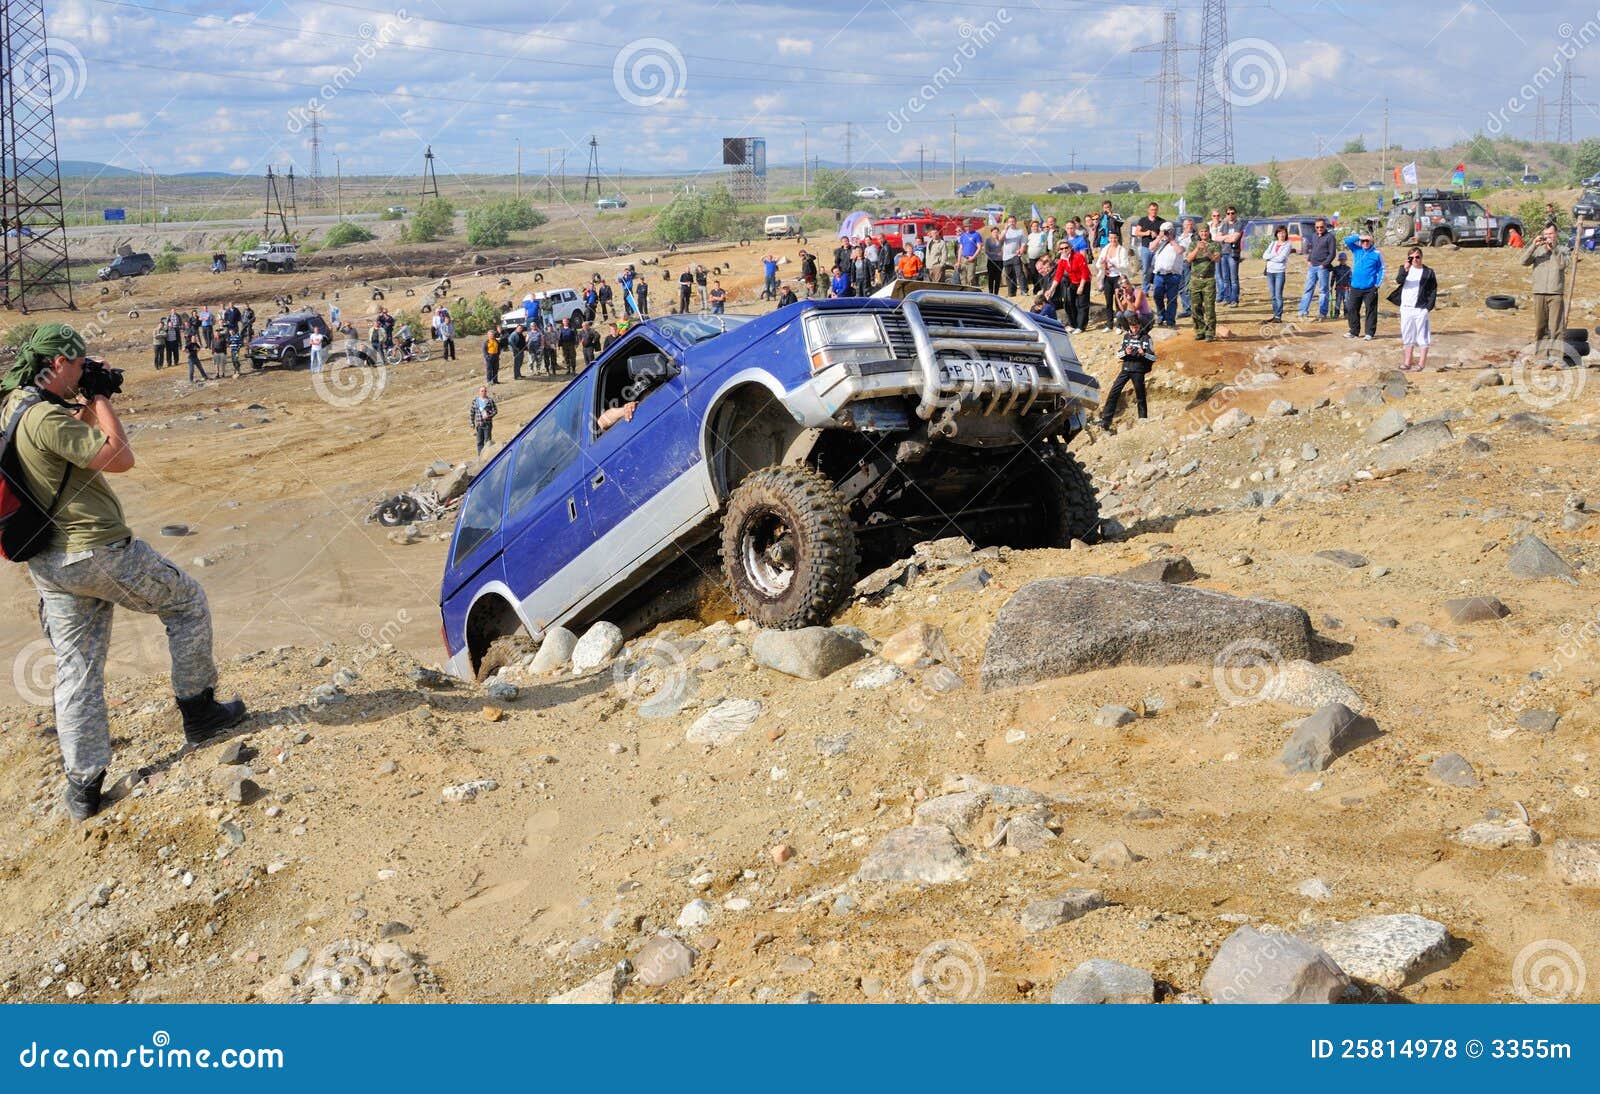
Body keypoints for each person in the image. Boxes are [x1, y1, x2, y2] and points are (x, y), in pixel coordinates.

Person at [1, 324, 246, 820]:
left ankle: (83, 785)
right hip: (98, 551)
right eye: (78, 362)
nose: (83, 369)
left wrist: (85, 395)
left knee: (78, 667)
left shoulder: (14, 405)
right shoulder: (49, 418)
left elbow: (68, 445)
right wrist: (98, 398)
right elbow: (121, 457)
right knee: (186, 602)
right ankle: (200, 714)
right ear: (58, 364)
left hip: (50, 563)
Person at [1096, 315, 1156, 431]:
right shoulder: (1126, 337)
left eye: (1137, 327)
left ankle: (1143, 420)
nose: (1135, 330)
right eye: (1133, 328)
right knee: (1114, 392)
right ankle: (1105, 422)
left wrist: (1144, 354)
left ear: (1140, 326)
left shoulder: (1146, 338)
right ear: (1129, 327)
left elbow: (1153, 358)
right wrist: (1126, 351)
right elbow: (1118, 355)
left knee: (1140, 396)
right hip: (1126, 369)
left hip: (1138, 370)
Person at [1522, 224, 1570, 357]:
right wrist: (1533, 245)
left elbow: (1562, 265)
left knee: (1556, 328)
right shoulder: (1538, 250)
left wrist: (1554, 248)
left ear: (1556, 234)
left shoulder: (1563, 250)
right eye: (1546, 234)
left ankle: (1556, 358)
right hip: (1539, 292)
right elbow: (1523, 261)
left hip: (1555, 293)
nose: (1548, 237)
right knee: (1540, 327)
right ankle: (1541, 358)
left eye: (1551, 234)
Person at [1389, 247, 1437, 371]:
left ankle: (1421, 364)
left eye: (1417, 257)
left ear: (1421, 257)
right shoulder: (1404, 268)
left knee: (1422, 335)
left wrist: (1428, 307)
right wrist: (1405, 269)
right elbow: (1399, 280)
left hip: (1420, 309)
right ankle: (1407, 362)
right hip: (1405, 308)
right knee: (1407, 335)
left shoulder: (1428, 272)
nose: (1415, 259)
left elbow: (1433, 290)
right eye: (1412, 257)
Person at [1342, 230, 1385, 340]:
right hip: (1355, 286)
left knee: (1370, 310)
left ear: (1371, 241)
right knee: (1351, 308)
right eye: (1363, 241)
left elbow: (1382, 269)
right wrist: (1359, 236)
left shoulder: (1377, 254)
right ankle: (1354, 331)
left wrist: (1377, 284)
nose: (1365, 242)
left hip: (1370, 288)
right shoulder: (1357, 250)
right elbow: (1347, 241)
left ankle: (1369, 333)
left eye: (1367, 240)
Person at [1187, 225, 1221, 341]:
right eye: (1201, 231)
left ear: (1208, 231)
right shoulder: (1193, 244)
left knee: (1209, 307)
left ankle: (1210, 332)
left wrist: (1206, 251)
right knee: (1196, 307)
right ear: (1198, 233)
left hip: (1209, 280)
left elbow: (1216, 259)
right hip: (1195, 280)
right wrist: (1197, 248)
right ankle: (1200, 330)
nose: (1204, 233)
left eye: (1205, 231)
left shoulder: (1215, 244)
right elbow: (1188, 259)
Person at [1298, 217, 1336, 321]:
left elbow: (1332, 253)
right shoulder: (1314, 236)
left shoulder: (1330, 237)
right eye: (1317, 227)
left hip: (1322, 268)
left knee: (1323, 290)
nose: (1319, 229)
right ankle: (1302, 311)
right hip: (1312, 266)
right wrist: (1309, 259)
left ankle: (1322, 313)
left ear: (1325, 227)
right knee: (1308, 288)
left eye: (1321, 227)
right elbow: (1313, 249)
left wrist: (1324, 264)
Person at [1095, 231, 1130, 331]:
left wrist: (1115, 265)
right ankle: (1109, 324)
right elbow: (1098, 263)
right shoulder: (1105, 249)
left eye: (1114, 238)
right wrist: (1102, 265)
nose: (1113, 240)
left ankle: (1119, 325)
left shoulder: (1122, 250)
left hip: (1118, 277)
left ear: (1117, 238)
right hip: (1108, 277)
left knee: (1118, 301)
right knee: (1108, 302)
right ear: (1108, 239)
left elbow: (1125, 265)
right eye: (1111, 238)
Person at [1150, 224, 1183, 328]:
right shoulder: (1159, 241)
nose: (1165, 233)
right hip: (1159, 274)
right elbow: (1151, 248)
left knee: (1171, 299)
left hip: (1173, 275)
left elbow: (1180, 251)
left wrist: (1171, 239)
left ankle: (1170, 321)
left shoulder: (1179, 240)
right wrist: (1159, 237)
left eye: (1167, 231)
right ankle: (1161, 316)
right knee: (1157, 296)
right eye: (1163, 231)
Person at [1262, 225, 1293, 323]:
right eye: (1279, 233)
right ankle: (1275, 314)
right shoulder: (1273, 243)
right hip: (1270, 271)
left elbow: (1281, 259)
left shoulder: (1288, 244)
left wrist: (1270, 257)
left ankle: (1278, 316)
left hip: (1279, 271)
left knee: (1278, 295)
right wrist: (1274, 255)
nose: (1281, 235)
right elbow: (1264, 256)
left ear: (1286, 234)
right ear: (1276, 234)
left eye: (1283, 232)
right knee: (1273, 295)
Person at [1133, 202, 1163, 293]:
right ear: (1148, 210)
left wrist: (1157, 235)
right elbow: (1137, 233)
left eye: (1155, 210)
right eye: (1152, 210)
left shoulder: (1162, 221)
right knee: (1146, 269)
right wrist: (1147, 233)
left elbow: (1165, 234)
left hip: (1158, 248)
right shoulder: (1143, 220)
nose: (1154, 211)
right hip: (1146, 248)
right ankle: (1145, 290)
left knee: (1158, 269)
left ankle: (1157, 289)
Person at [1216, 207, 1243, 306]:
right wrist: (1227, 237)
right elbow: (1216, 238)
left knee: (1234, 278)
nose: (1230, 215)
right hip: (1223, 253)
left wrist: (1224, 238)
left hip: (1233, 254)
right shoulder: (1224, 225)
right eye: (1228, 213)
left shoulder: (1239, 224)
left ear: (1236, 214)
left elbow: (1234, 239)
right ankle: (1227, 299)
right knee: (1225, 278)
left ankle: (1234, 299)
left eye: (1232, 213)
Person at [1001, 215, 1026, 296]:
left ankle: (1023, 290)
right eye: (1010, 222)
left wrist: (1021, 249)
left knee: (1019, 273)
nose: (1012, 223)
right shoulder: (1005, 231)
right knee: (1009, 276)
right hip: (1006, 256)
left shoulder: (1020, 231)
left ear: (1016, 222)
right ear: (1007, 223)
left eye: (1013, 221)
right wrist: (1005, 229)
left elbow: (1023, 242)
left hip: (1016, 255)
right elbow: (1000, 239)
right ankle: (1011, 292)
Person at [470, 385, 497, 455]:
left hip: (487, 424)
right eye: (482, 391)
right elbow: (472, 412)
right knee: (479, 442)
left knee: (488, 441)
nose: (484, 392)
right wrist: (472, 422)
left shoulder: (490, 400)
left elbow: (495, 411)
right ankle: (480, 457)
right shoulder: (475, 401)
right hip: (479, 425)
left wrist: (489, 416)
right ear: (479, 392)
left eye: (485, 391)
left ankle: (488, 455)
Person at [957, 222, 984, 287]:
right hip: (963, 258)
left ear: (972, 226)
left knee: (970, 277)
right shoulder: (963, 236)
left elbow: (979, 248)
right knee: (963, 277)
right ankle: (965, 293)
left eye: (969, 226)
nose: (967, 228)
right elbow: (960, 249)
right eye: (966, 226)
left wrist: (973, 257)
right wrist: (958, 261)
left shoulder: (976, 235)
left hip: (971, 259)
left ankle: (972, 291)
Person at [983, 226, 1004, 294]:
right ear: (991, 233)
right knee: (991, 277)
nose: (995, 233)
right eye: (994, 232)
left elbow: (1004, 248)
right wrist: (996, 254)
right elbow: (986, 251)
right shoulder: (988, 240)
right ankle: (990, 292)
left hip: (999, 261)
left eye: (997, 232)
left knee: (998, 278)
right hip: (991, 261)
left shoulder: (1001, 240)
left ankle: (996, 293)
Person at [1330, 253, 1351, 319]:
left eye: (1343, 259)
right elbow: (1333, 277)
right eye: (1341, 259)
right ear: (1339, 260)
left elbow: (1350, 278)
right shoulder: (1336, 269)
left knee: (1346, 301)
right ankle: (1336, 314)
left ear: (1345, 260)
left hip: (1346, 288)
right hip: (1339, 288)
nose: (1342, 261)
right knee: (1338, 301)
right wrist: (1331, 285)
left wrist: (1350, 286)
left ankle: (1346, 314)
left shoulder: (1348, 269)